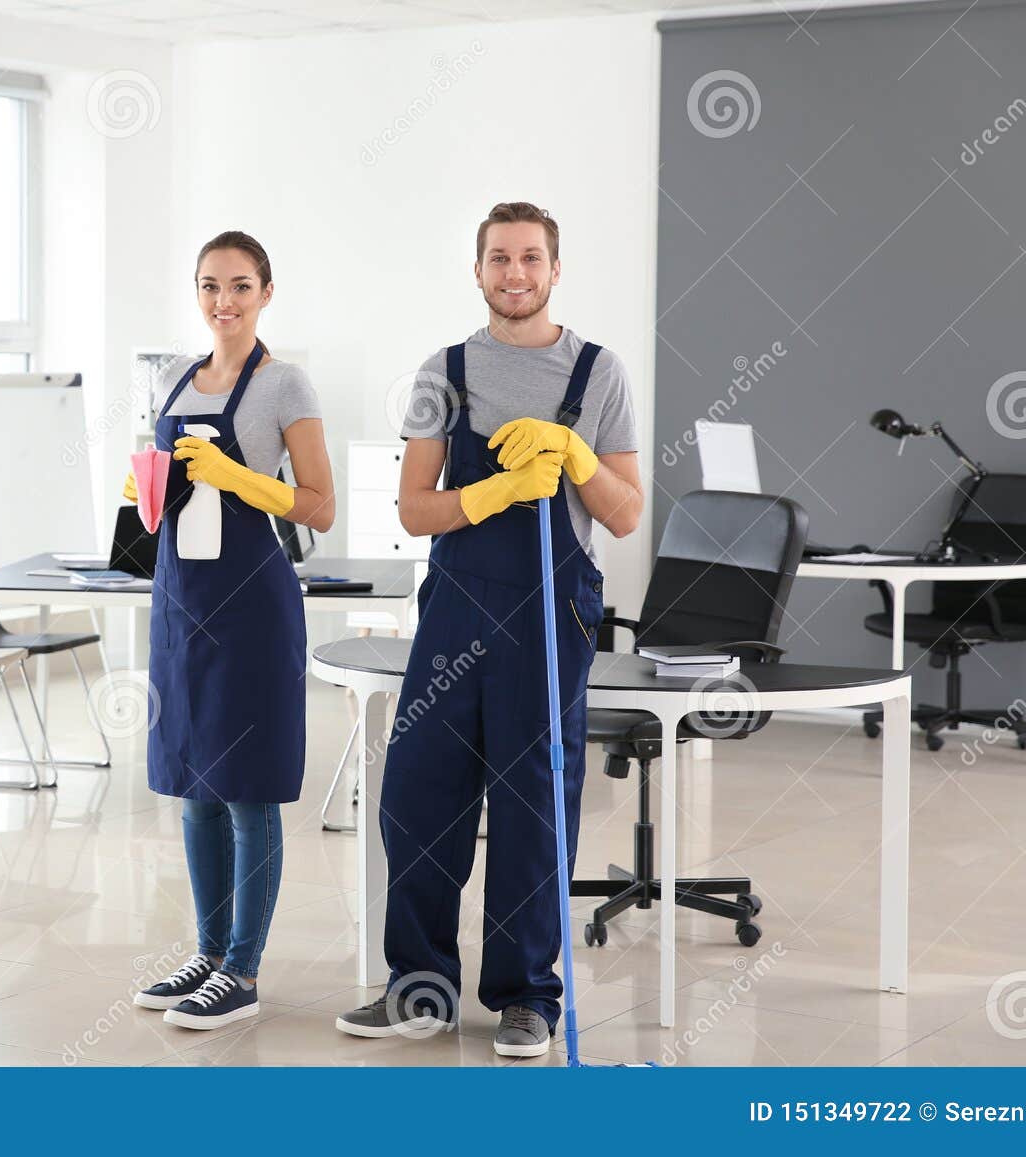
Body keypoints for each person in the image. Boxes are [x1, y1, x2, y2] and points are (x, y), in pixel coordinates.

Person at [336, 203, 642, 1057]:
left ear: (554, 269)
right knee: (419, 795)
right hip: (456, 610)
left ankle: (525, 997)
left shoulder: (598, 374)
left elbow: (623, 514)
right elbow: (412, 509)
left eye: (531, 258)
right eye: (499, 259)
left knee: (532, 805)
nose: (515, 273)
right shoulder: (445, 371)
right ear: (477, 271)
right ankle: (420, 988)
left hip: (551, 615)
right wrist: (493, 494)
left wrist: (577, 458)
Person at [127, 231, 335, 1029]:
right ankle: (207, 955)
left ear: (267, 292)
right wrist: (145, 485)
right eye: (210, 286)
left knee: (247, 789)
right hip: (181, 604)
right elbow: (166, 503)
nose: (224, 301)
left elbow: (319, 503)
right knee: (195, 789)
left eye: (240, 285)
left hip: (252, 606)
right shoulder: (179, 379)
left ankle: (244, 971)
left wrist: (241, 477)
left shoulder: (285, 384)